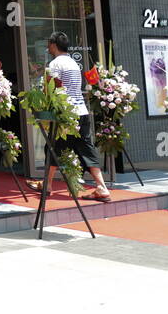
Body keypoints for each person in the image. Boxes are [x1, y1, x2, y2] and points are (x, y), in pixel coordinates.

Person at [38, 32, 112, 201]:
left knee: (52, 147)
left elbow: (52, 88)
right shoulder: (73, 62)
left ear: (54, 45)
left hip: (65, 114)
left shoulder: (56, 63)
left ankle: (47, 185)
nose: (48, 47)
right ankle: (102, 187)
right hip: (81, 112)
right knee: (86, 149)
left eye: (49, 43)